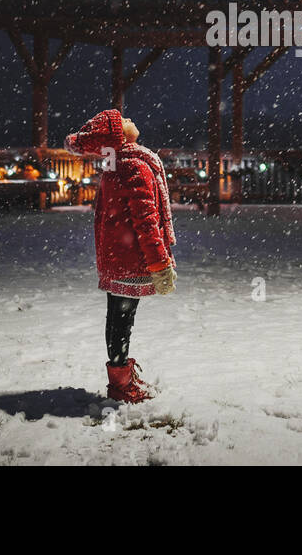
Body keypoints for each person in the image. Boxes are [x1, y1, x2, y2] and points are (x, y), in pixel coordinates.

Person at [65, 109, 177, 403]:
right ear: (119, 135)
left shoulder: (116, 164)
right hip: (131, 257)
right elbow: (145, 219)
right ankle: (121, 384)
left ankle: (122, 376)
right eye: (123, 121)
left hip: (118, 255)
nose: (130, 120)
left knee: (118, 316)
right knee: (122, 319)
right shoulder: (132, 165)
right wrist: (159, 262)